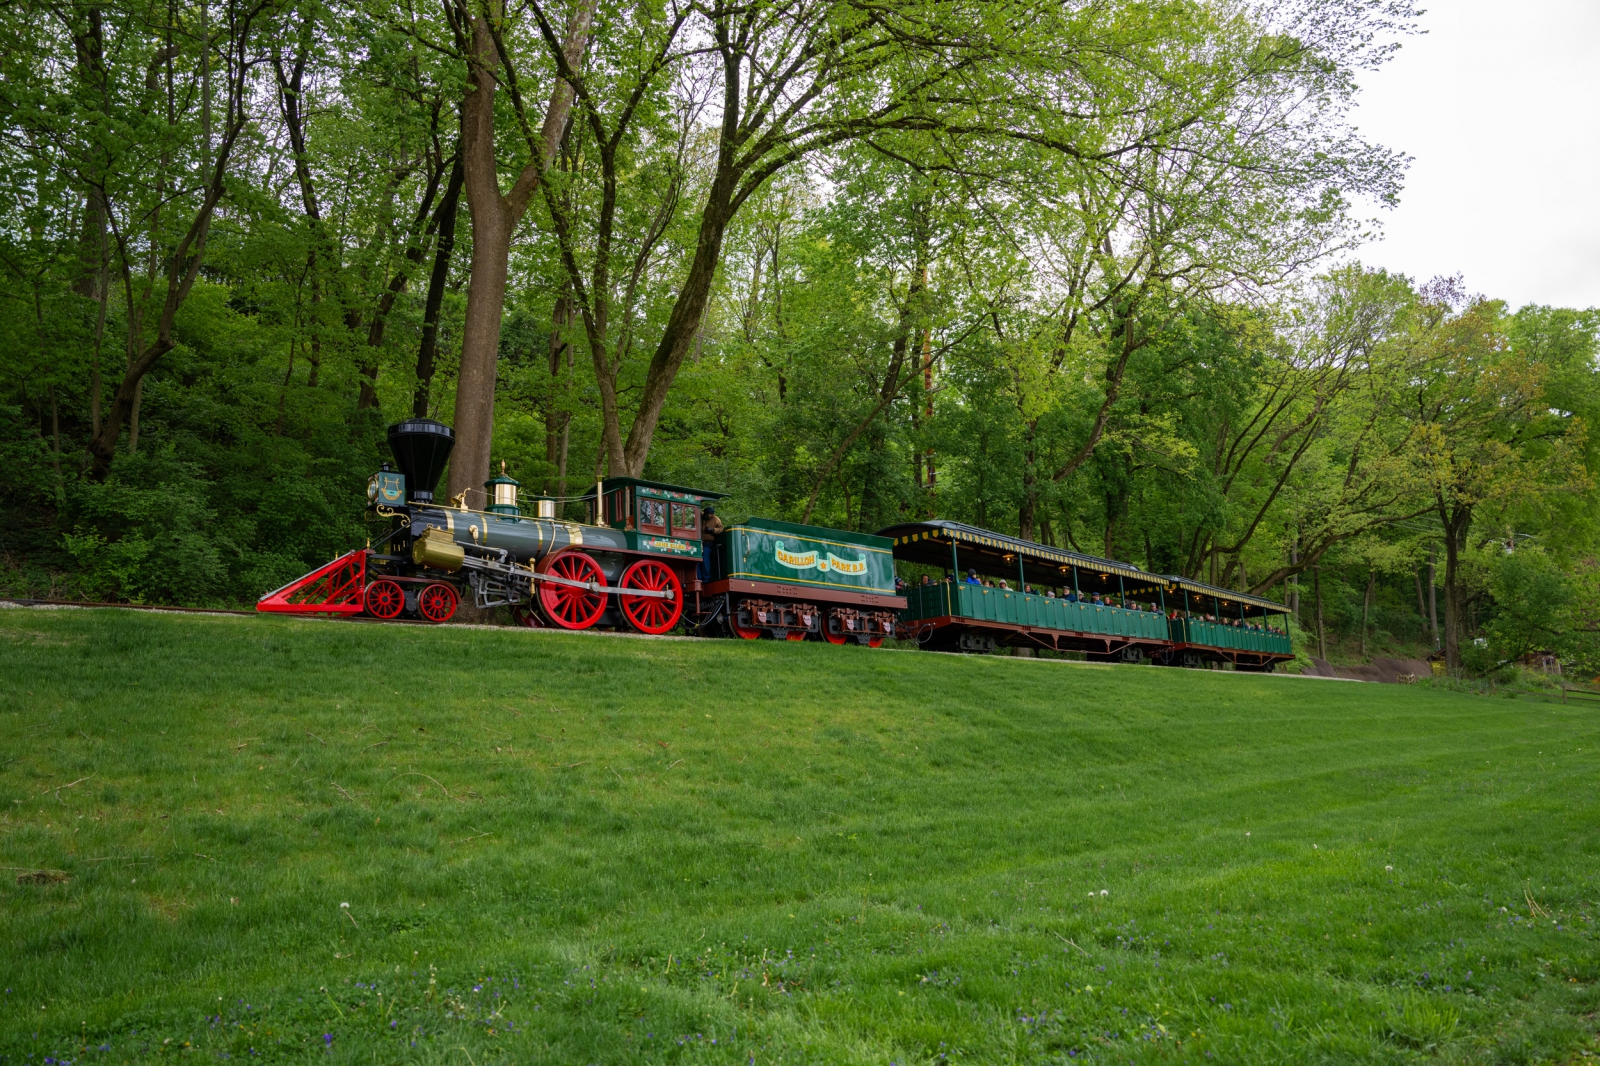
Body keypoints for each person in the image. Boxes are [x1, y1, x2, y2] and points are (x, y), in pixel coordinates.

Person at [696, 505, 724, 583]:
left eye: (711, 514)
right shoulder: (700, 515)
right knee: (697, 560)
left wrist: (712, 530)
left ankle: (706, 579)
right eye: (709, 514)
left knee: (705, 560)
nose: (710, 516)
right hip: (699, 542)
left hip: (708, 543)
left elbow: (721, 529)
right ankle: (698, 578)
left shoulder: (716, 519)